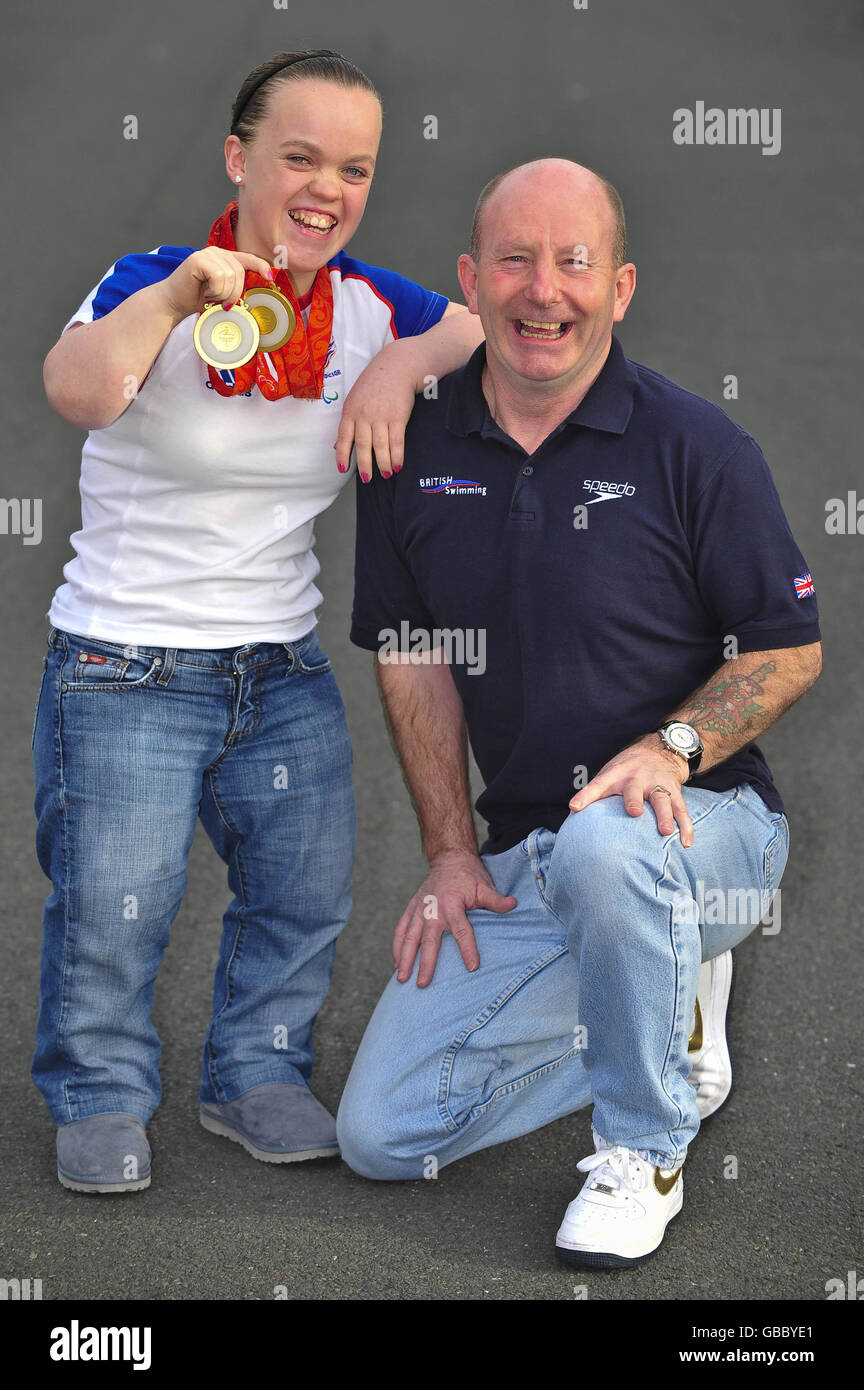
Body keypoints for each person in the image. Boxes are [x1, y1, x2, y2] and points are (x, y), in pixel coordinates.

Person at [337, 158, 822, 1267]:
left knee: (611, 846)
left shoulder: (698, 445)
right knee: (383, 1131)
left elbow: (789, 649)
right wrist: (451, 852)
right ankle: (663, 994)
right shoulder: (412, 451)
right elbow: (413, 658)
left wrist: (674, 746)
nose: (541, 288)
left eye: (573, 261)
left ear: (620, 287)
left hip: (704, 828)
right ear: (472, 278)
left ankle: (645, 1146)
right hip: (535, 850)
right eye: (513, 259)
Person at [33, 48, 484, 1194]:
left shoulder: (372, 306)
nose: (327, 186)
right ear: (240, 160)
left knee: (303, 887)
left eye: (355, 167)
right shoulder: (150, 279)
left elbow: (473, 333)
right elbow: (78, 390)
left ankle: (256, 1072)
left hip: (276, 663)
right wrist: (181, 296)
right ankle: (99, 1090)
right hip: (125, 657)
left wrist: (401, 371)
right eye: (300, 157)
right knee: (113, 903)